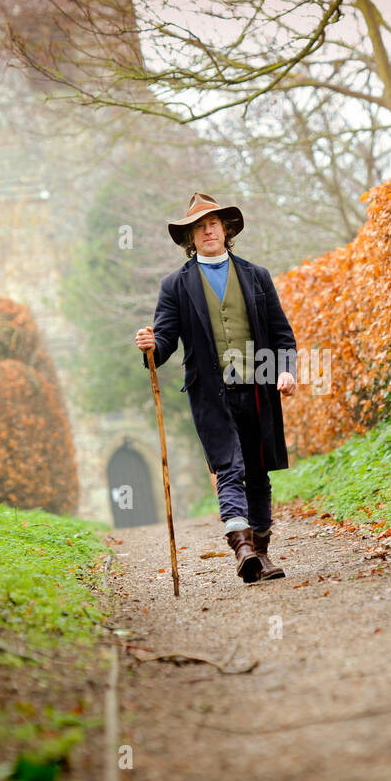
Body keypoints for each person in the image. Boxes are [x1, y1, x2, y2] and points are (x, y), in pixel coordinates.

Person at [135, 192, 298, 583]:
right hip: (210, 393)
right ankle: (242, 549)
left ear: (226, 230)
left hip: (259, 387)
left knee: (258, 474)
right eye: (199, 227)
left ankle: (260, 553)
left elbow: (281, 334)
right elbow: (167, 341)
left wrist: (286, 370)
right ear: (191, 238)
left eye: (214, 224)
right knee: (229, 468)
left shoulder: (256, 275)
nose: (208, 231)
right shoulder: (175, 285)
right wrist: (151, 348)